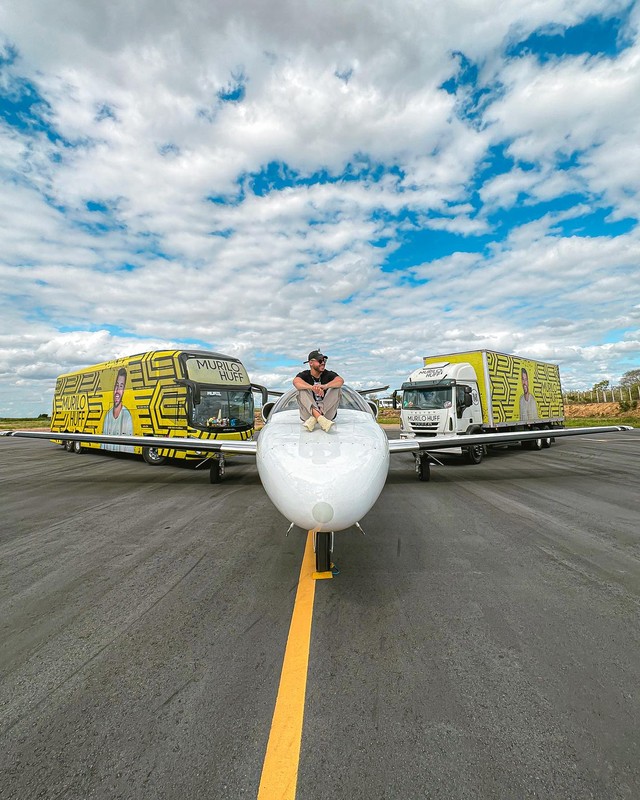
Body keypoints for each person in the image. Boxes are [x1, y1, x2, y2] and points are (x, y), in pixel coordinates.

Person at [293, 350, 344, 432]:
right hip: (307, 414)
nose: (323, 363)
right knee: (301, 389)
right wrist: (311, 387)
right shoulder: (304, 375)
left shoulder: (329, 374)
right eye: (320, 360)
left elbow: (340, 381)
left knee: (337, 388)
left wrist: (326, 386)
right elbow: (296, 382)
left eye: (324, 361)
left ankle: (316, 418)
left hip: (327, 414)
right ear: (311, 363)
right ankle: (320, 418)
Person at [102, 367, 134, 451]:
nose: (117, 390)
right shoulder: (107, 415)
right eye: (116, 385)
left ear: (124, 391)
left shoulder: (128, 417)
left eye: (121, 386)